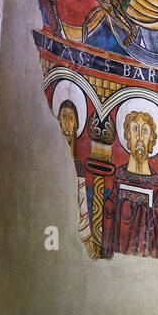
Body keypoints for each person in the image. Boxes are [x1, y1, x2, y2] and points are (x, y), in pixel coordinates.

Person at [100, 111, 158, 260]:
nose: (139, 137)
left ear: (151, 138)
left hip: (146, 253)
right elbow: (109, 211)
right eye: (135, 129)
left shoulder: (155, 181)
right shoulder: (120, 175)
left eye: (144, 130)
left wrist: (157, 213)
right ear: (128, 136)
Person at [56, 100, 95, 258]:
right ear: (57, 121)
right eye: (63, 117)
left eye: (70, 118)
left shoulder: (78, 166)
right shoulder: (51, 161)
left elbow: (82, 204)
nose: (66, 123)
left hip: (71, 228)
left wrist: (87, 237)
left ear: (76, 124)